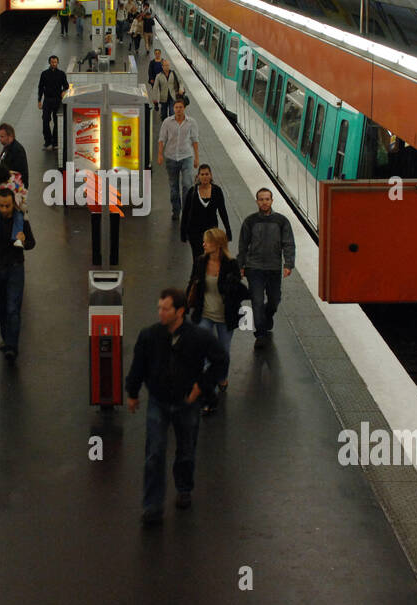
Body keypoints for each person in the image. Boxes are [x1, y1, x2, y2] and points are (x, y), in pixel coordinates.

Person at [125, 288, 229, 524]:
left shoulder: (198, 337)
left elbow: (221, 360)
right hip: (159, 401)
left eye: (166, 308)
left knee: (185, 451)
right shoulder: (149, 335)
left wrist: (201, 386)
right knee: (154, 453)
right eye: (159, 307)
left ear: (180, 311)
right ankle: (152, 506)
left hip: (186, 402)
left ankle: (184, 488)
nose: (160, 312)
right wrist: (132, 392)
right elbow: (139, 365)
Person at [186, 228, 247, 416]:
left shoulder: (231, 264)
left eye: (207, 242)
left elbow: (237, 290)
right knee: (204, 354)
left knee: (223, 352)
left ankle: (222, 377)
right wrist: (184, 305)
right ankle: (208, 393)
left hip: (225, 316)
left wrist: (232, 284)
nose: (203, 244)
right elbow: (192, 282)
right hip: (204, 313)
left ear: (218, 245)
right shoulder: (200, 262)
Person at [236, 188, 296, 349]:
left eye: (267, 199)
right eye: (261, 199)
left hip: (274, 268)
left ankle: (267, 315)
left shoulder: (281, 221)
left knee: (274, 300)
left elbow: (288, 243)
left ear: (272, 200)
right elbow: (243, 245)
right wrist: (240, 265)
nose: (264, 202)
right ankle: (260, 333)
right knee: (256, 300)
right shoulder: (250, 221)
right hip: (254, 267)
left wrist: (288, 264)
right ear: (257, 202)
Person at [0, 188, 34, 359]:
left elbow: (31, 243)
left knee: (13, 308)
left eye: (7, 206)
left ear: (13, 204)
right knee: (1, 308)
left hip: (15, 268)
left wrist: (24, 240)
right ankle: (6, 338)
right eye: (1, 206)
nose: (4, 209)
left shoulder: (21, 221)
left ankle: (11, 347)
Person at [156, 98, 199, 219]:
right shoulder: (167, 122)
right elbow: (162, 139)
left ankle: (186, 210)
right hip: (171, 157)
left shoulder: (191, 122)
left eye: (181, 107)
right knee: (173, 187)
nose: (178, 110)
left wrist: (196, 158)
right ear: (173, 109)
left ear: (184, 108)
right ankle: (176, 210)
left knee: (187, 184)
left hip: (187, 157)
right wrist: (160, 154)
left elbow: (195, 140)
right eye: (176, 107)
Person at [179, 164, 232, 261]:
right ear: (198, 176)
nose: (205, 177)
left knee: (211, 257)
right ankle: (196, 276)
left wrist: (228, 230)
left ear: (211, 175)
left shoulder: (217, 191)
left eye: (207, 174)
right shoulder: (192, 192)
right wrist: (183, 232)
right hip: (195, 232)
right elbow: (186, 213)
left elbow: (222, 211)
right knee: (197, 258)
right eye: (202, 174)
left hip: (211, 232)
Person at [0, 165, 27, 247]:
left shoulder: (14, 183)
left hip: (16, 206)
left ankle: (17, 238)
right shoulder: (7, 182)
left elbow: (22, 194)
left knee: (18, 217)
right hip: (5, 205)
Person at [37, 55, 69, 151]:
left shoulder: (62, 74)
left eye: (55, 62)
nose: (54, 64)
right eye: (52, 62)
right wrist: (39, 100)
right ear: (49, 63)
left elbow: (66, 85)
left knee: (56, 121)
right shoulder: (44, 74)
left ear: (57, 63)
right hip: (47, 100)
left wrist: (63, 91)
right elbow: (41, 88)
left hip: (57, 100)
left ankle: (55, 142)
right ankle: (48, 142)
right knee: (45, 121)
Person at [0, 123, 29, 188]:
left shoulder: (17, 150)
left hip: (15, 187)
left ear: (10, 136)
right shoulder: (7, 147)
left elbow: (17, 172)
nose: (0, 139)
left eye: (2, 136)